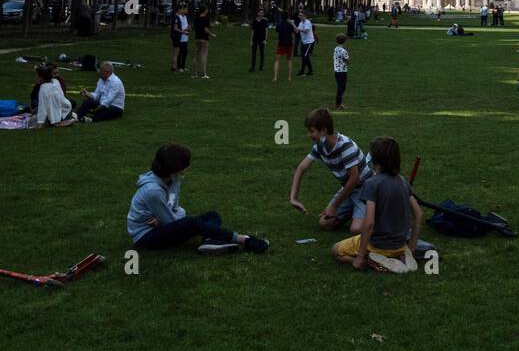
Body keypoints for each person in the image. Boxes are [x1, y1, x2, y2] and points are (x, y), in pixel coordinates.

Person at [127, 144, 269, 254]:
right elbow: (173, 223)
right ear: (175, 167)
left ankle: (210, 241)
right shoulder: (153, 191)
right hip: (147, 237)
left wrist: (163, 219)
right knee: (191, 223)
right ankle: (245, 240)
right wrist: (170, 219)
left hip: (164, 226)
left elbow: (178, 210)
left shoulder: (174, 179)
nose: (188, 166)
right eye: (185, 163)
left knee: (212, 215)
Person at [332, 136, 422, 274]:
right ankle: (402, 256)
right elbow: (419, 214)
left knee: (336, 250)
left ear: (375, 161)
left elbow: (369, 224)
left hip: (377, 245)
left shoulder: (371, 184)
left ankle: (371, 261)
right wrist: (412, 245)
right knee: (395, 249)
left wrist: (359, 256)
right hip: (400, 245)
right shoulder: (403, 182)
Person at [290, 108, 371, 233]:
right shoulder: (320, 147)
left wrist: (334, 206)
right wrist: (293, 198)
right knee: (325, 223)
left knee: (356, 229)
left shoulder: (345, 145)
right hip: (349, 190)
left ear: (324, 130)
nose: (309, 135)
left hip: (365, 189)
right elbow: (301, 168)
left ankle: (374, 210)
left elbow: (354, 179)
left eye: (312, 131)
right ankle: (355, 212)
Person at [271, 10, 294, 81]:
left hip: (281, 44)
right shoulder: (290, 25)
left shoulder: (279, 25)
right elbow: (293, 34)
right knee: (289, 60)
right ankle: (289, 77)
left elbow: (277, 32)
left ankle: (275, 77)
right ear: (288, 17)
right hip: (289, 43)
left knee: (277, 60)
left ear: (281, 17)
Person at [192, 5, 211, 79]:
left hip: (197, 38)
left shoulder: (196, 19)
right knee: (204, 56)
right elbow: (206, 30)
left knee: (196, 56)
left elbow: (195, 28)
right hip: (204, 39)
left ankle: (195, 73)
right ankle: (204, 73)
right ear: (205, 10)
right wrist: (212, 34)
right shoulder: (206, 19)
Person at [171, 5, 190, 72]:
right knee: (178, 53)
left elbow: (182, 27)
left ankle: (181, 67)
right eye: (185, 9)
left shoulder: (184, 17)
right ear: (180, 9)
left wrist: (187, 29)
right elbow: (175, 28)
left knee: (183, 53)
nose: (186, 11)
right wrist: (184, 31)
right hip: (178, 37)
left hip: (183, 37)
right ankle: (176, 67)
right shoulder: (177, 17)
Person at [297, 9, 315, 77]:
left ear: (304, 16)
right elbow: (297, 31)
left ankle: (302, 71)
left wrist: (297, 29)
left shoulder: (308, 22)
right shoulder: (301, 23)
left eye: (300, 15)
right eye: (299, 15)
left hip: (309, 42)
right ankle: (310, 71)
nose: (299, 16)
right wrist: (292, 24)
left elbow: (305, 31)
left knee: (305, 57)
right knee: (304, 57)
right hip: (304, 42)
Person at [334, 34, 350, 111]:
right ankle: (338, 105)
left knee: (340, 87)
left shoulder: (336, 49)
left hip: (336, 71)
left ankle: (339, 103)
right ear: (344, 41)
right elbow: (347, 60)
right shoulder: (344, 51)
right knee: (341, 89)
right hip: (342, 71)